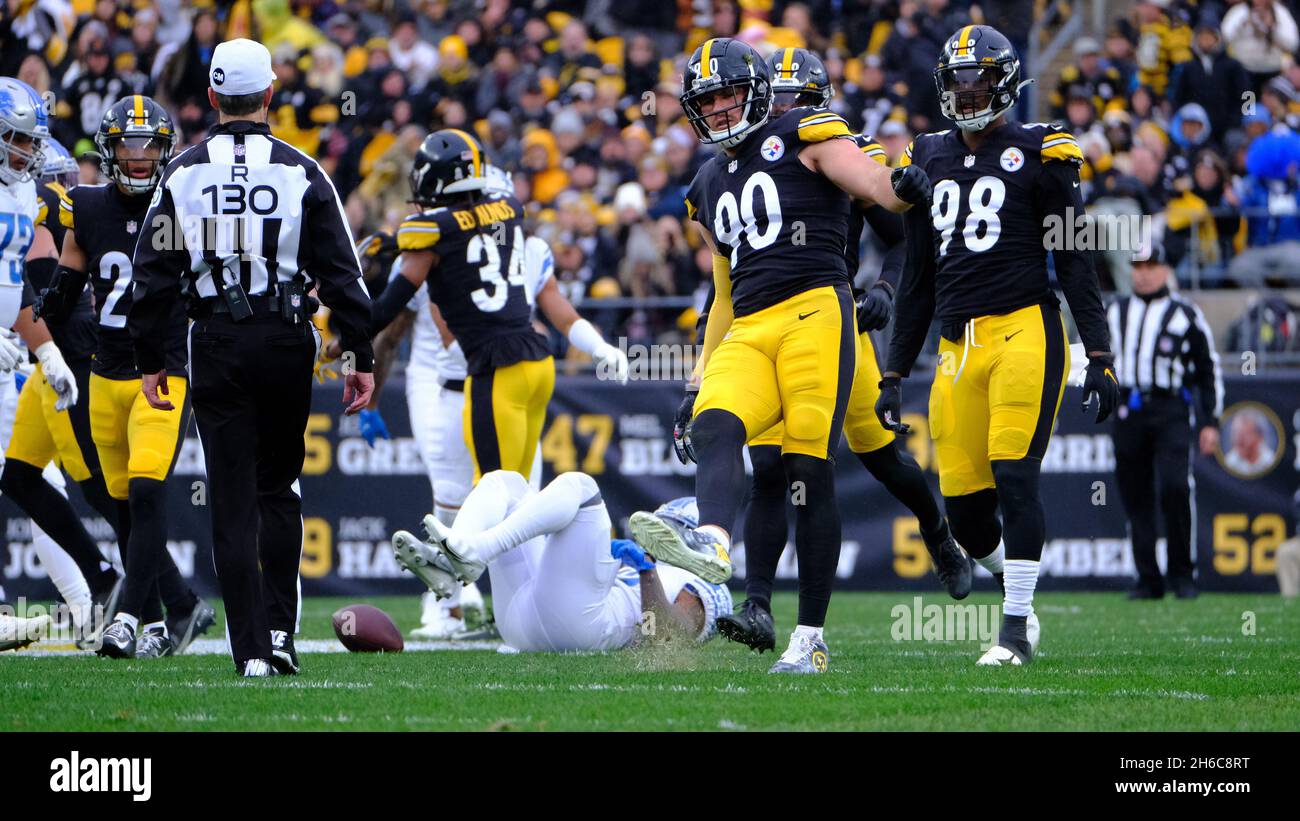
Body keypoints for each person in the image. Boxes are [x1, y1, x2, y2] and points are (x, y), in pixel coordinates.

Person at [630, 37, 929, 674]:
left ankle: (810, 637)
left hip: (816, 312)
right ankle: (713, 543)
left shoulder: (805, 129)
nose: (718, 108)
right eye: (706, 100)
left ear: (757, 90)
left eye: (728, 93)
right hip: (750, 325)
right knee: (714, 422)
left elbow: (873, 183)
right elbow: (719, 297)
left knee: (805, 472)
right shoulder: (707, 181)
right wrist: (693, 382)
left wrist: (899, 185)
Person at [128, 40, 375, 678]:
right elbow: (345, 276)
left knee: (231, 496)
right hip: (285, 337)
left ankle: (251, 653)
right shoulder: (302, 170)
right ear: (270, 95)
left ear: (211, 97)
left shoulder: (180, 174)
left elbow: (150, 279)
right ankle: (281, 634)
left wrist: (150, 359)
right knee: (279, 490)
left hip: (214, 341)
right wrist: (361, 355)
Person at [713, 47, 969, 656]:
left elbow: (903, 235)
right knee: (771, 466)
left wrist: (883, 288)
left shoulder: (832, 151)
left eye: (797, 102)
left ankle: (937, 533)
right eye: (777, 101)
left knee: (879, 458)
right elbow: (726, 275)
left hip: (834, 323)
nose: (785, 112)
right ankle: (757, 607)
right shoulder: (739, 167)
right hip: (771, 322)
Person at [880, 25, 1118, 666]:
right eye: (957, 80)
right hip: (957, 346)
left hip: (1024, 330)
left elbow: (1073, 260)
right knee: (966, 514)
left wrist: (1098, 353)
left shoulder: (1043, 151)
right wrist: (893, 372)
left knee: (1016, 475)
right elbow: (918, 277)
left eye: (978, 78)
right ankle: (1025, 606)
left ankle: (1012, 629)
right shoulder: (926, 154)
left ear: (1005, 82)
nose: (966, 90)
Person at [40, 95, 216, 657]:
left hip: (162, 371)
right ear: (109, 150)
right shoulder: (86, 206)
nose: (139, 159)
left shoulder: (187, 206)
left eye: (149, 148)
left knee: (144, 492)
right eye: (128, 147)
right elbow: (65, 288)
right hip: (104, 370)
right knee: (121, 505)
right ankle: (175, 617)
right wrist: (34, 331)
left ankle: (127, 618)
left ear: (165, 152)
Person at [0, 76, 113, 649]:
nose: (28, 153)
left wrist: (44, 350)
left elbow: (15, 284)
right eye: (18, 140)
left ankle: (92, 598)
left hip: (9, 353)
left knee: (27, 476)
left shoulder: (20, 194)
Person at [393, 472, 732, 652]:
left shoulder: (708, 585)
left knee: (581, 487)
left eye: (666, 527)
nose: (656, 533)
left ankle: (472, 554)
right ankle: (459, 552)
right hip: (524, 624)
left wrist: (646, 570)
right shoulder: (653, 564)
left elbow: (664, 638)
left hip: (587, 628)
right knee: (506, 483)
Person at [1107, 241, 1222, 600]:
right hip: (1128, 410)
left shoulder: (1185, 314)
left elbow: (1207, 368)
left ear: (1165, 270)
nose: (1143, 273)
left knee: (1175, 487)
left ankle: (1182, 575)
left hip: (1170, 408)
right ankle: (1148, 578)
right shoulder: (1114, 311)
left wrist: (1210, 420)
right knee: (1135, 495)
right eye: (1137, 266)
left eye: (1150, 266)